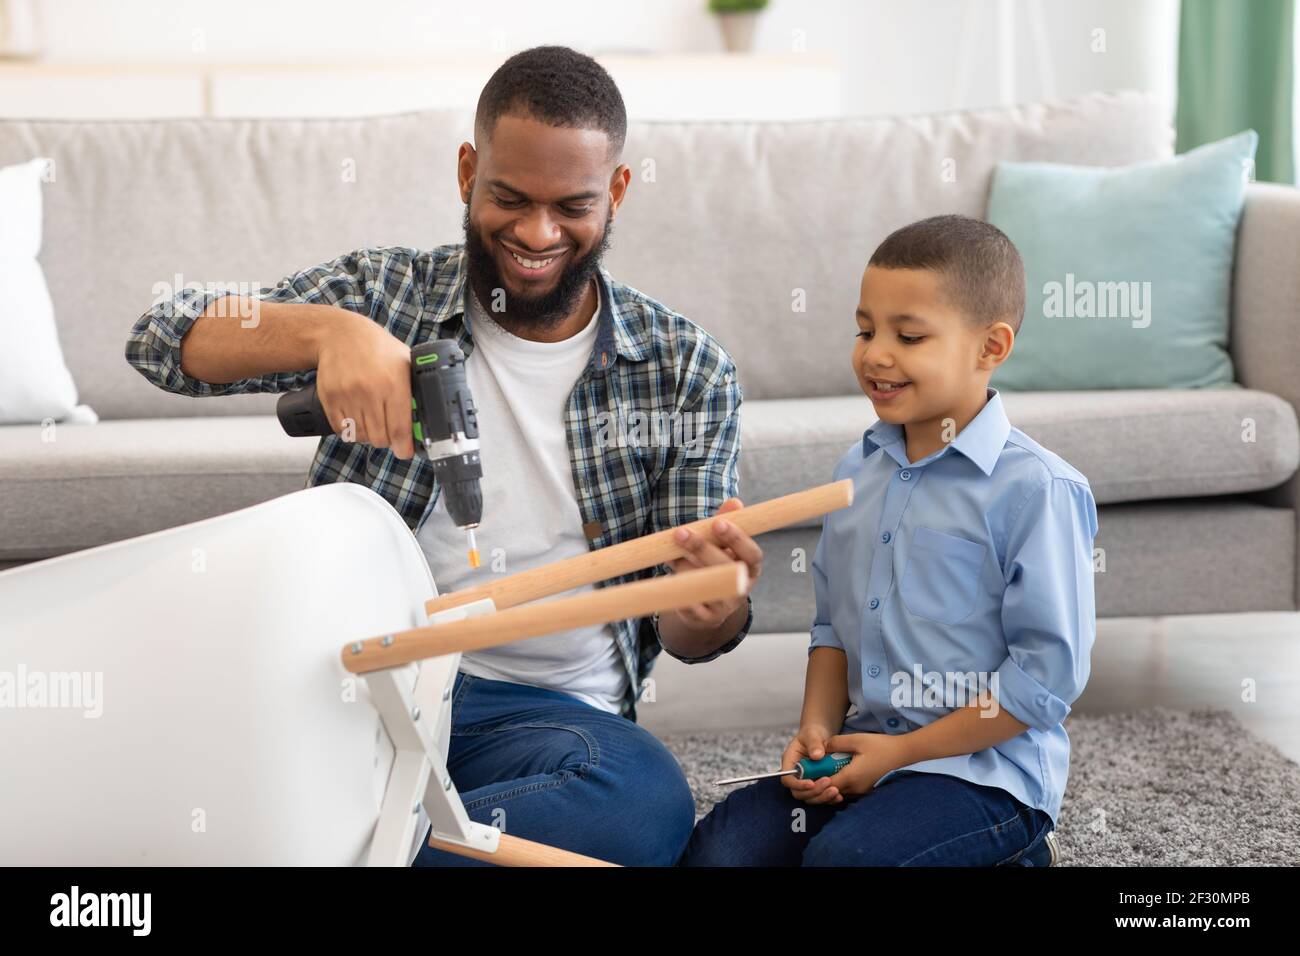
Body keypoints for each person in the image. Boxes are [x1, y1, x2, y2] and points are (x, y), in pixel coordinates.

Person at [126, 45, 765, 867]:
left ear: (616, 191)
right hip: (368, 684)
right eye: (509, 198)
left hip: (547, 720)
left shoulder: (686, 369)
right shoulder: (387, 296)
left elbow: (687, 634)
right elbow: (161, 338)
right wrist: (331, 332)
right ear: (468, 172)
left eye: (572, 206)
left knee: (640, 805)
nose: (538, 234)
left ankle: (339, 838)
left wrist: (709, 609)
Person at [680, 215, 1097, 866]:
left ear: (991, 347)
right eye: (865, 329)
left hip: (982, 777)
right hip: (864, 755)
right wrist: (818, 730)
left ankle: (1015, 855)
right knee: (719, 854)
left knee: (845, 862)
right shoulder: (855, 473)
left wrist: (899, 756)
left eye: (908, 336)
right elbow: (831, 631)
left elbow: (1043, 682)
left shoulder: (1038, 491)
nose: (876, 353)